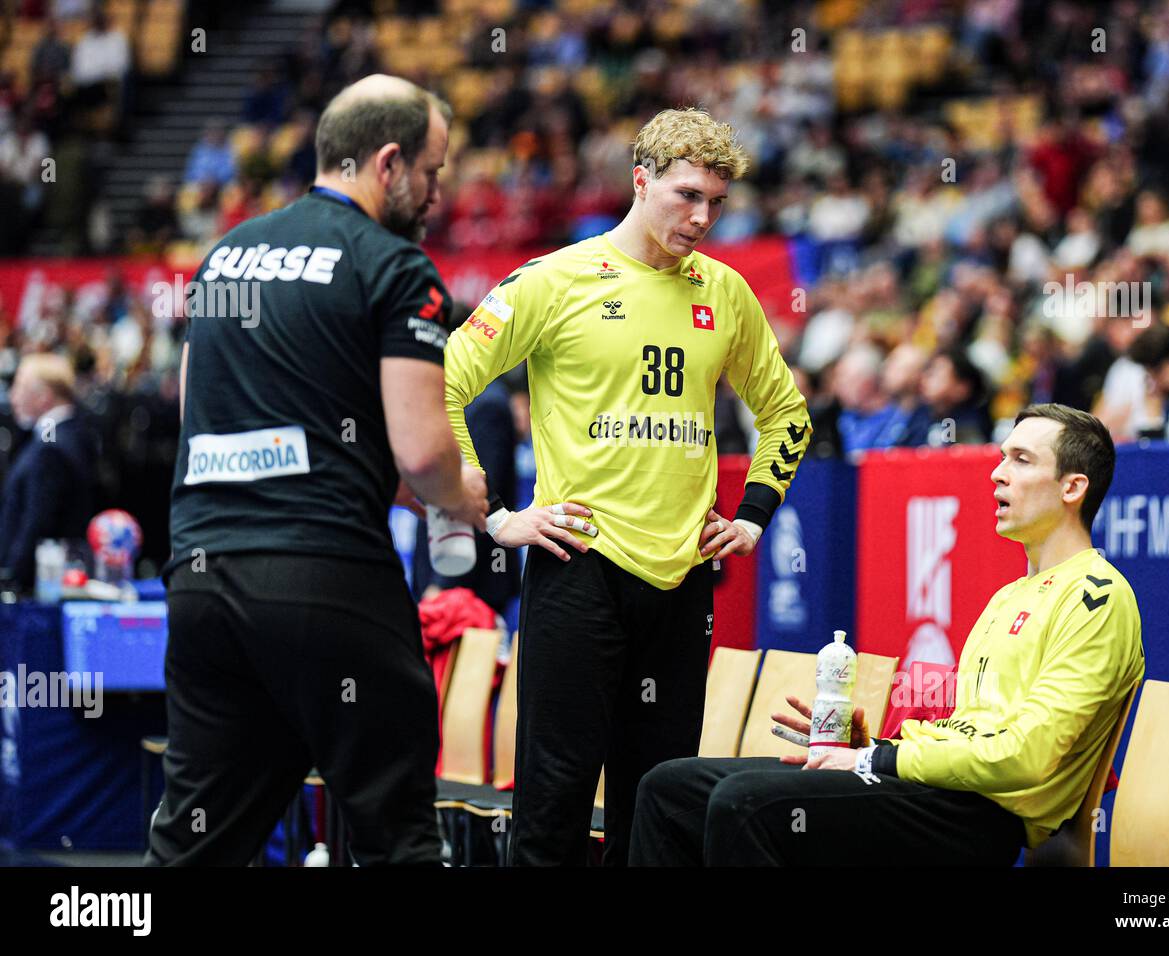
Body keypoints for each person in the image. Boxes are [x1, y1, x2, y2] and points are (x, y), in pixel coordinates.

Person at [443, 107, 812, 866]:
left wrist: (753, 516)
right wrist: (491, 515)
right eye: (686, 195)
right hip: (577, 568)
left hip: (680, 584)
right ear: (640, 182)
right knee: (553, 803)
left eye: (716, 202)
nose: (702, 217)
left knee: (659, 813)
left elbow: (788, 416)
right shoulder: (555, 280)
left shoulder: (728, 293)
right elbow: (442, 379)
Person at [146, 75, 486, 866]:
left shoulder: (226, 256)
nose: (437, 196)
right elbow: (425, 452)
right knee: (396, 836)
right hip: (327, 583)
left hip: (203, 579)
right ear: (390, 163)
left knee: (201, 839)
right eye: (434, 174)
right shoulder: (396, 269)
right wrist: (461, 496)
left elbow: (202, 410)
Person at [629, 403, 1144, 866]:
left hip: (980, 817)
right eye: (1002, 457)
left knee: (743, 805)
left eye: (1021, 460)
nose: (997, 473)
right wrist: (874, 745)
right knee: (669, 787)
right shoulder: (1011, 594)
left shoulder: (1097, 597)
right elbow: (972, 731)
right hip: (935, 786)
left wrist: (877, 758)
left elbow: (1025, 756)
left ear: (1072, 488)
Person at [0, 353, 96, 589]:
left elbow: (36, 525)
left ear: (43, 396)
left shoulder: (50, 449)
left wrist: (10, 579)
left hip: (35, 590)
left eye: (19, 388)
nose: (12, 398)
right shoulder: (72, 435)